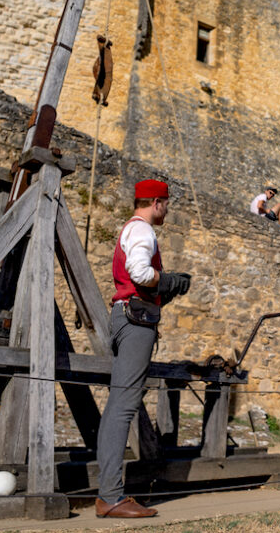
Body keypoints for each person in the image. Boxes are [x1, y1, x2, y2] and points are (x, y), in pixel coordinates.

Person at [96, 179, 191, 518]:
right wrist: (168, 281)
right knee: (123, 406)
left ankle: (108, 493)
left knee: (118, 405)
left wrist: (168, 286)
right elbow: (139, 272)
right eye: (165, 203)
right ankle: (110, 496)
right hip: (135, 321)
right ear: (155, 202)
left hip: (126, 316)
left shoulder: (132, 229)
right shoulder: (143, 231)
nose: (166, 209)